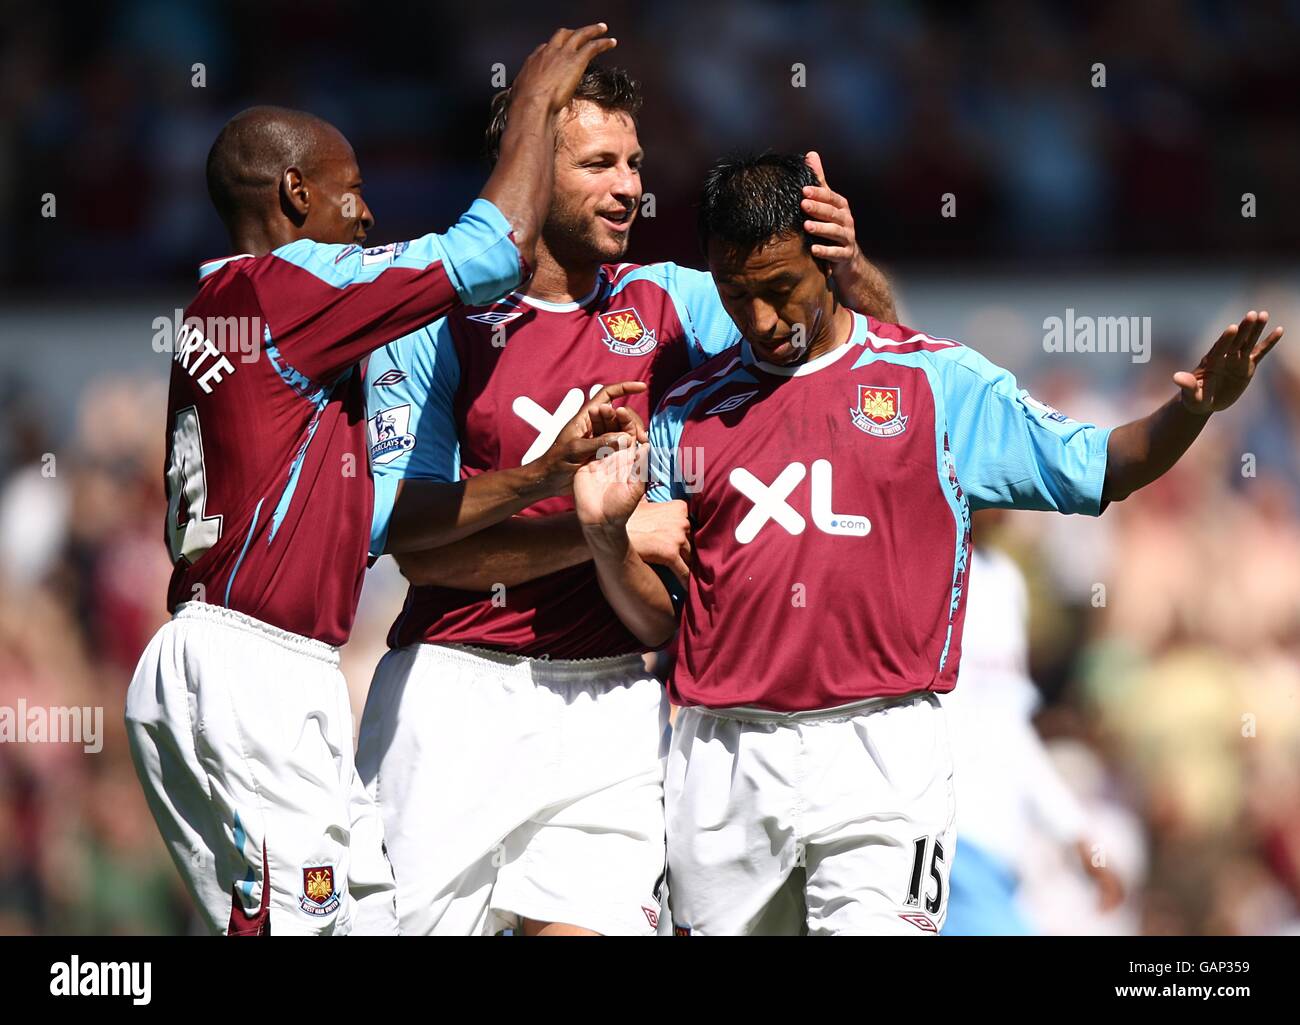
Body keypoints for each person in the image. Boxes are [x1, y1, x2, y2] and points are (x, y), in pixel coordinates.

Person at [573, 151, 1284, 935]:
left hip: (882, 753)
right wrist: (609, 541)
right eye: (737, 296)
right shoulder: (685, 414)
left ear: (828, 259)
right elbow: (663, 625)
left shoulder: (935, 384)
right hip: (722, 761)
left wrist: (1194, 412)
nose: (763, 319)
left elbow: (1102, 466)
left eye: (782, 289)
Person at [356, 67, 895, 936]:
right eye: (599, 163)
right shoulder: (436, 317)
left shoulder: (672, 303)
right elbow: (416, 547)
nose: (630, 189)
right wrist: (597, 530)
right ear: (527, 164)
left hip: (613, 706)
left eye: (635, 163)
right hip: (452, 698)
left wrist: (846, 266)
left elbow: (863, 367)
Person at [125, 24, 629, 935]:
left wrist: (537, 477)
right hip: (252, 664)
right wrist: (530, 108)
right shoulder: (286, 287)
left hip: (264, 660)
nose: (367, 217)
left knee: (362, 916)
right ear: (294, 193)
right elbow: (490, 252)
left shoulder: (239, 319)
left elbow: (391, 515)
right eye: (351, 194)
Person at [941, 508, 1123, 935]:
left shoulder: (1005, 581)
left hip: (1000, 853)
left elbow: (1008, 726)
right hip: (946, 842)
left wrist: (1075, 832)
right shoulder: (923, 572)